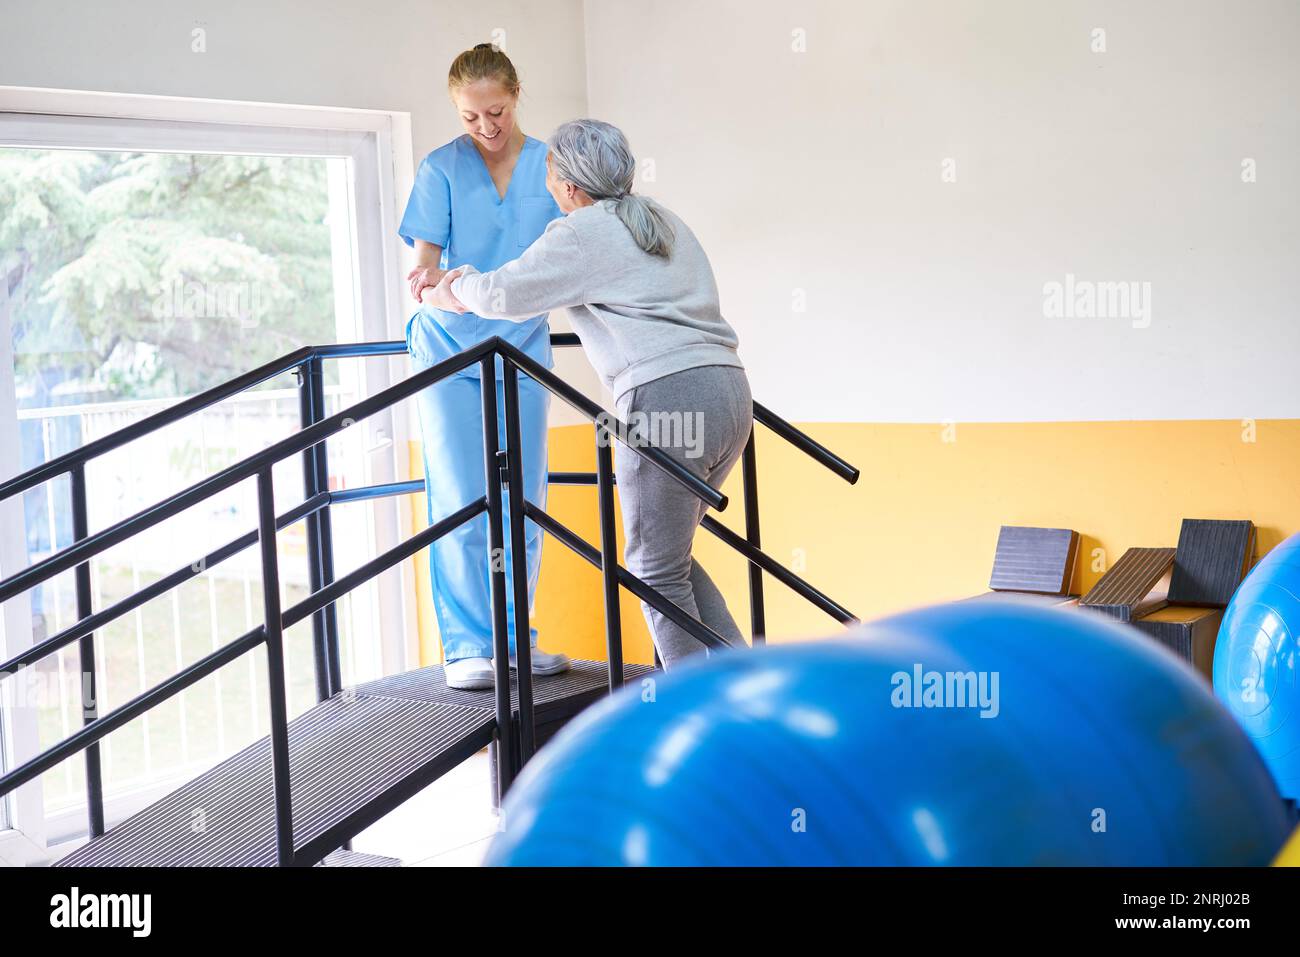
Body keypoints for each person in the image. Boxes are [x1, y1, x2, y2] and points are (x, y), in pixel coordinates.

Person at [426, 119, 751, 668]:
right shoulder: (662, 220)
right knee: (669, 557)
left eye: (549, 173)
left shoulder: (582, 232)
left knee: (655, 568)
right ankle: (746, 682)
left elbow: (505, 294)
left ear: (569, 186)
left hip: (666, 399)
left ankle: (700, 706)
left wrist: (448, 287)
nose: (548, 183)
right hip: (729, 394)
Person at [400, 43, 571, 689]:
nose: (485, 127)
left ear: (515, 95)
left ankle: (516, 640)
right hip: (449, 345)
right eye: (470, 117)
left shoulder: (551, 167)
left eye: (495, 112)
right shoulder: (441, 168)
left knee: (523, 496)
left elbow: (577, 249)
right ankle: (470, 647)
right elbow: (422, 271)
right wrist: (440, 290)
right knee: (461, 494)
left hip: (521, 344)